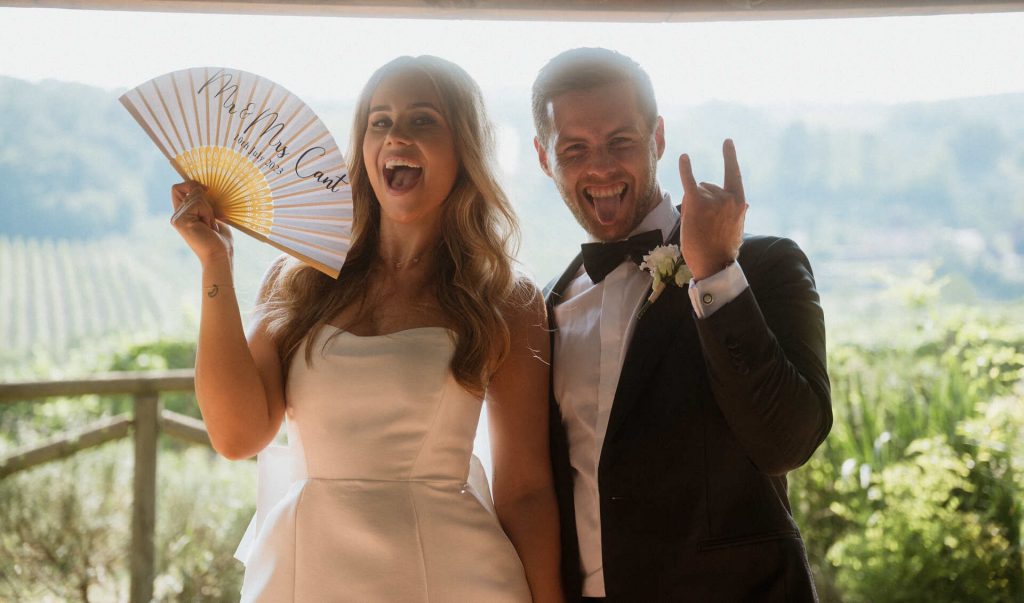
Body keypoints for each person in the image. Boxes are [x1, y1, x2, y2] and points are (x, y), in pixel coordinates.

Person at [170, 55, 563, 602]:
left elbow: (525, 491)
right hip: (305, 572)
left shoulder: (502, 296)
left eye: (422, 120)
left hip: (451, 576)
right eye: (380, 121)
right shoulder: (298, 279)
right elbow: (237, 436)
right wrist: (216, 264)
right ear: (362, 146)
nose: (396, 135)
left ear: (463, 148)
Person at [531, 47, 832, 602]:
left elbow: (787, 441)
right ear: (545, 159)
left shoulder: (763, 267)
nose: (600, 166)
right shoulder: (543, 308)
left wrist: (717, 272)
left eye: (620, 141)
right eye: (574, 148)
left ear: (658, 138)